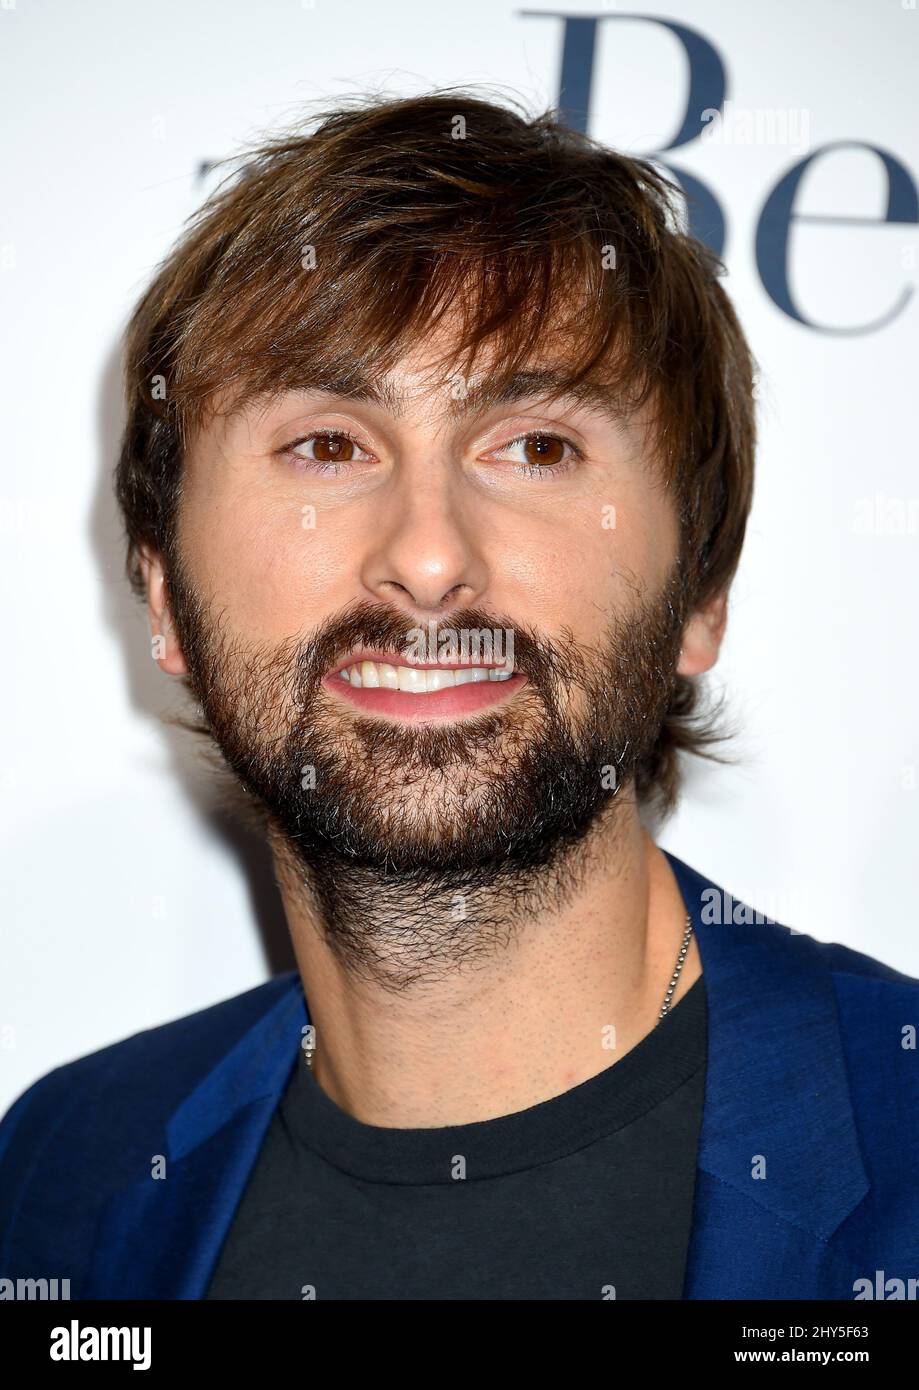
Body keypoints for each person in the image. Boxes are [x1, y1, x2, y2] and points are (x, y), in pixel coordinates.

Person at [1, 90, 916, 1302]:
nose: (429, 556)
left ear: (701, 592)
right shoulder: (60, 1169)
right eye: (327, 444)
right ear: (163, 602)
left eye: (535, 447)